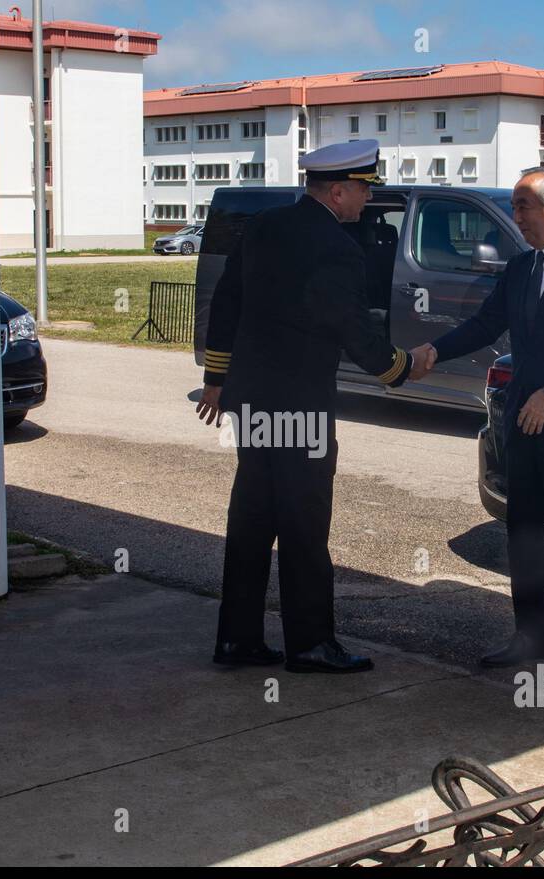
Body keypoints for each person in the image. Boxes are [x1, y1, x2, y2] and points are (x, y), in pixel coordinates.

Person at [196, 139, 416, 674]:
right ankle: (311, 644)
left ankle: (237, 639)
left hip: (254, 404)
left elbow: (227, 300)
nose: (366, 200)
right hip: (301, 408)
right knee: (303, 522)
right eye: (363, 189)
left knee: (252, 520)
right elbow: (353, 328)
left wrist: (216, 377)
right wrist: (399, 367)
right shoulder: (337, 248)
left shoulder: (264, 226)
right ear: (337, 191)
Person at [409, 167, 544, 671]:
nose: (517, 215)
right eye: (514, 205)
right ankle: (531, 637)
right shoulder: (521, 269)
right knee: (523, 531)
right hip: (523, 424)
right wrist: (431, 351)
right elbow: (485, 324)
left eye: (524, 204)